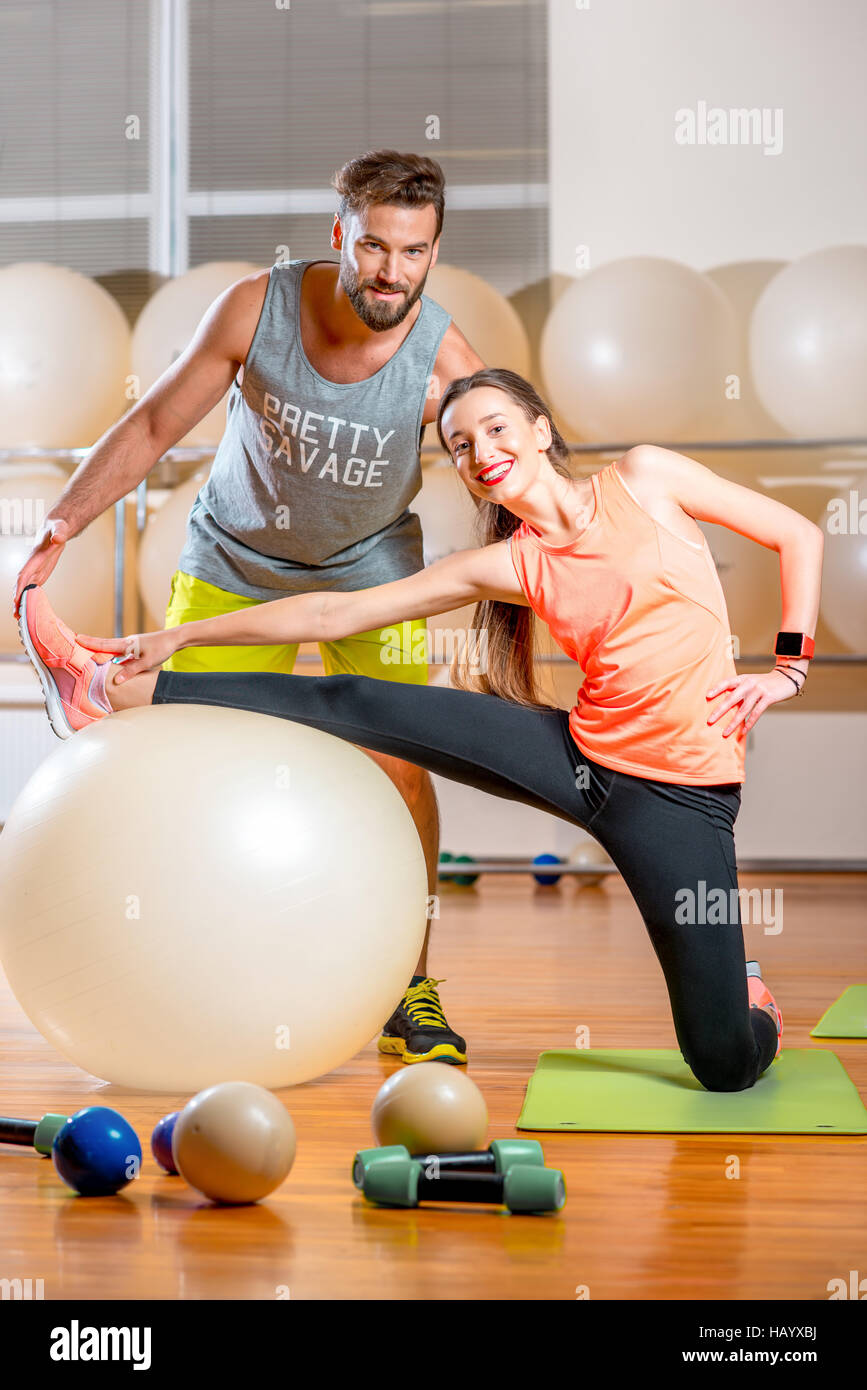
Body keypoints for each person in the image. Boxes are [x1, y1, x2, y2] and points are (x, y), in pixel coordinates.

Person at [18, 367, 825, 1092]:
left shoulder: (648, 478)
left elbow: (798, 535)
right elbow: (336, 611)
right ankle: (106, 685)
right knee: (357, 703)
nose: (481, 452)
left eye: (497, 429)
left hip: (679, 801)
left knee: (724, 1065)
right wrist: (183, 636)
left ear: (541, 430)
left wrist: (786, 667)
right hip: (578, 753)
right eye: (461, 445)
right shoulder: (511, 564)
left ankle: (746, 994)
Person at [12, 150, 486, 1067]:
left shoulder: (445, 361)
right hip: (234, 559)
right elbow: (154, 424)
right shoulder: (254, 309)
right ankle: (174, 960)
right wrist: (59, 525)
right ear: (338, 234)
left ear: (435, 251)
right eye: (376, 247)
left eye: (415, 252)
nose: (392, 272)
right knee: (187, 762)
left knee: (402, 770)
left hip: (371, 571)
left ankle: (410, 987)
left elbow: (511, 471)